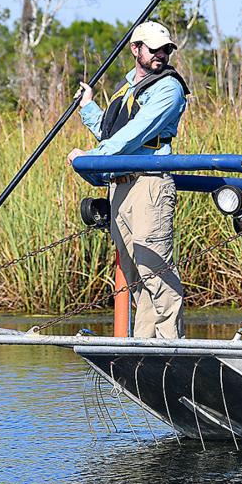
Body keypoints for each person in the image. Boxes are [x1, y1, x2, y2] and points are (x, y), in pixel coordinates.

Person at [67, 20, 189, 339]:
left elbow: (136, 135)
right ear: (135, 50)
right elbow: (113, 134)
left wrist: (92, 157)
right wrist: (88, 106)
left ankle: (171, 344)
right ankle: (145, 343)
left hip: (149, 182)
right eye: (154, 48)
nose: (161, 54)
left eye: (166, 49)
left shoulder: (168, 87)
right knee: (135, 274)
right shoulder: (127, 90)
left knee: (155, 268)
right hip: (120, 185)